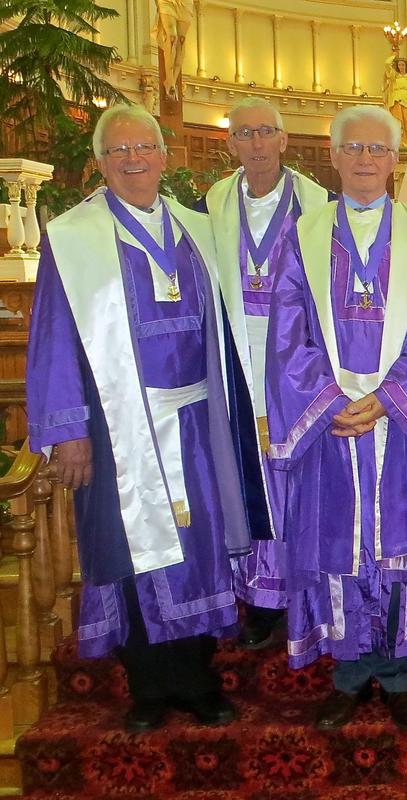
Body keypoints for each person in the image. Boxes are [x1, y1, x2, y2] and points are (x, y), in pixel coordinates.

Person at [26, 104, 250, 731]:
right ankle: (149, 687)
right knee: (136, 551)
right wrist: (68, 431)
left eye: (143, 148)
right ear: (100, 162)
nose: (133, 160)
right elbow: (53, 337)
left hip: (196, 424)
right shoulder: (73, 239)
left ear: (163, 156)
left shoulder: (194, 229)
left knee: (199, 551)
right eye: (119, 150)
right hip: (119, 429)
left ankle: (199, 679)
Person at [266, 105, 407, 730]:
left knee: (400, 544)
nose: (364, 160)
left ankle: (400, 674)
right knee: (338, 544)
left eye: (377, 149)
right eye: (353, 148)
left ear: (394, 158)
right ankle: (349, 673)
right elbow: (286, 332)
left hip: (399, 423)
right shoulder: (302, 236)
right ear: (334, 155)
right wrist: (328, 403)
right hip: (331, 426)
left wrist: (389, 398)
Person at [199, 96, 333, 650]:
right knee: (248, 462)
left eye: (266, 133)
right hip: (237, 351)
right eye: (244, 134)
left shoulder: (317, 199)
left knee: (296, 460)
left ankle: (306, 582)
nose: (255, 144)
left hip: (296, 353)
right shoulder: (215, 199)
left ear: (284, 140)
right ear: (230, 144)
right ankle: (261, 592)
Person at [383, 56, 407, 149]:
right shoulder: (394, 77)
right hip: (396, 101)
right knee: (396, 122)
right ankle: (397, 141)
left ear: (406, 66)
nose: (401, 66)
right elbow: (387, 64)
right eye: (399, 64)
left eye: (403, 64)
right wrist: (394, 56)